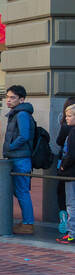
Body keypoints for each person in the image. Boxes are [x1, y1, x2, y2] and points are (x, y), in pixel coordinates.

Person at [2, 85, 35, 235]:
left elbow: (24, 136)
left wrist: (10, 147)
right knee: (19, 191)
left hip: (20, 158)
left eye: (12, 97)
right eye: (7, 97)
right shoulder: (16, 113)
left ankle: (28, 223)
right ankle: (26, 222)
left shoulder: (21, 114)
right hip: (17, 157)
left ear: (21, 99)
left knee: (22, 191)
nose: (8, 100)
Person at [56, 103, 75, 245]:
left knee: (71, 203)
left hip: (71, 172)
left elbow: (71, 154)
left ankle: (71, 233)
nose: (66, 119)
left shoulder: (73, 132)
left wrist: (63, 165)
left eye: (69, 116)